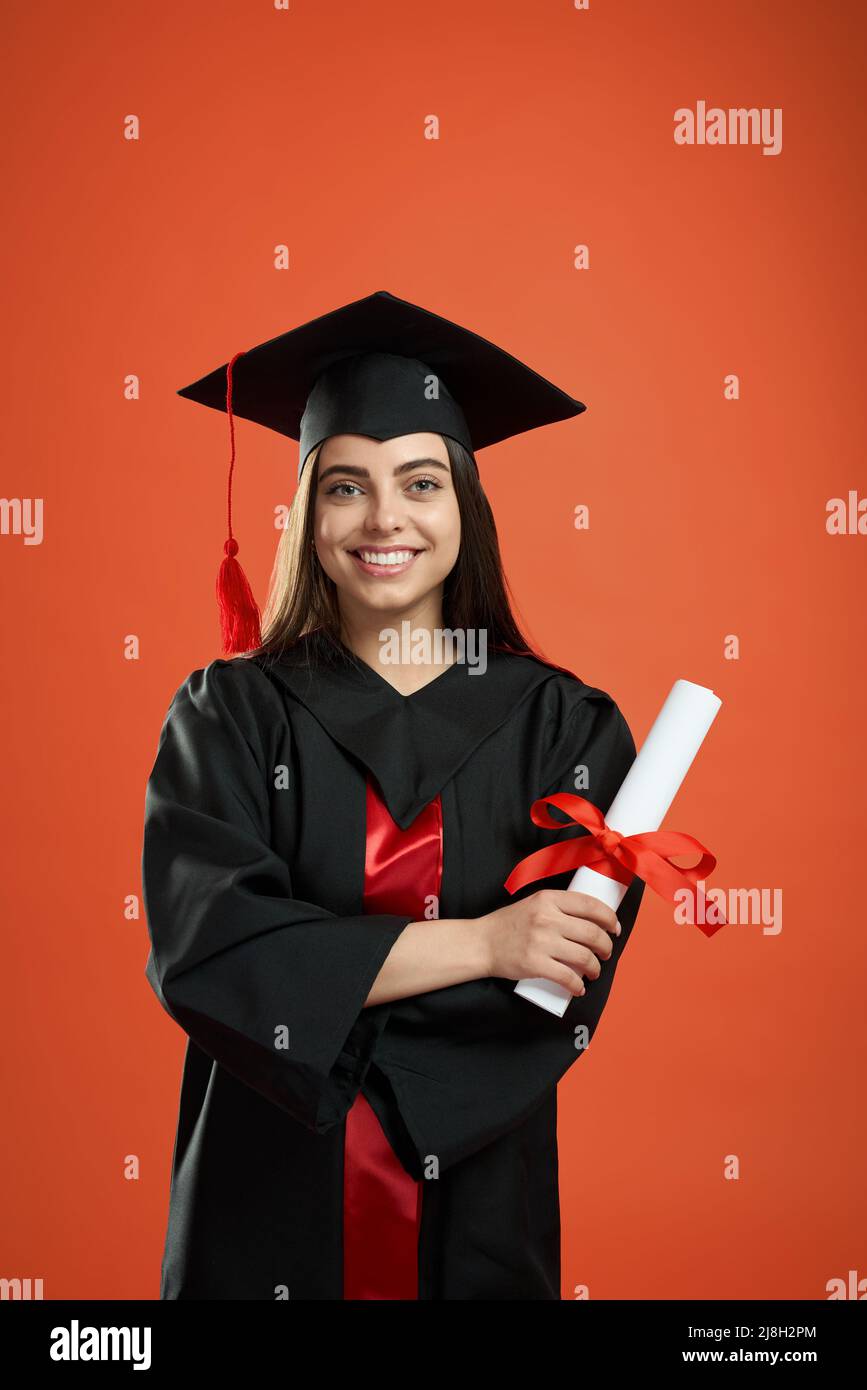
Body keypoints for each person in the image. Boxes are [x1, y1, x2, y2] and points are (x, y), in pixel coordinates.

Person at [142, 290, 646, 1300]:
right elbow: (212, 955)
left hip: (478, 1204)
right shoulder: (230, 715)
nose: (385, 519)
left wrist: (322, 976)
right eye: (345, 487)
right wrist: (484, 943)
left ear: (465, 504)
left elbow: (551, 997)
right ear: (306, 515)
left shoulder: (565, 729)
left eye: (421, 481)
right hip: (265, 1202)